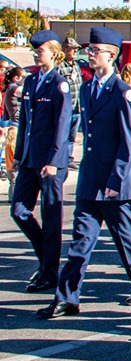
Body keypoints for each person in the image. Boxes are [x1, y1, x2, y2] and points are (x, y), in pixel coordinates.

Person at [37, 27, 131, 318]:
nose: (90, 54)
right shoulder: (88, 88)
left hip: (116, 183)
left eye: (95, 50)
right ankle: (67, 298)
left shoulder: (122, 92)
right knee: (80, 242)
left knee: (126, 238)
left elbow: (129, 142)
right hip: (91, 180)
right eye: (89, 50)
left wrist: (116, 179)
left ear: (111, 55)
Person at [12, 31, 72, 292]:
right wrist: (18, 156)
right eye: (35, 50)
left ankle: (49, 272)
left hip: (49, 162)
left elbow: (62, 125)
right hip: (29, 160)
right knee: (19, 211)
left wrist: (54, 160)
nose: (36, 54)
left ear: (54, 53)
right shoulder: (31, 81)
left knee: (51, 219)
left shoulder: (60, 84)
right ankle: (45, 259)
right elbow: (24, 122)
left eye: (41, 50)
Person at [58, 37, 83, 171]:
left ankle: (69, 158)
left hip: (77, 107)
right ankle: (62, 158)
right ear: (64, 49)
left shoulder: (76, 65)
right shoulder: (60, 66)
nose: (75, 51)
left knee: (72, 136)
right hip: (66, 107)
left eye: (76, 49)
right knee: (63, 134)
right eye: (72, 49)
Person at [2, 67, 26, 199]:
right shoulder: (14, 88)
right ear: (16, 78)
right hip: (16, 128)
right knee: (15, 160)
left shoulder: (9, 88)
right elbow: (31, 93)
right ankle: (15, 192)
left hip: (14, 126)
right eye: (23, 76)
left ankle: (14, 192)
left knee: (13, 160)